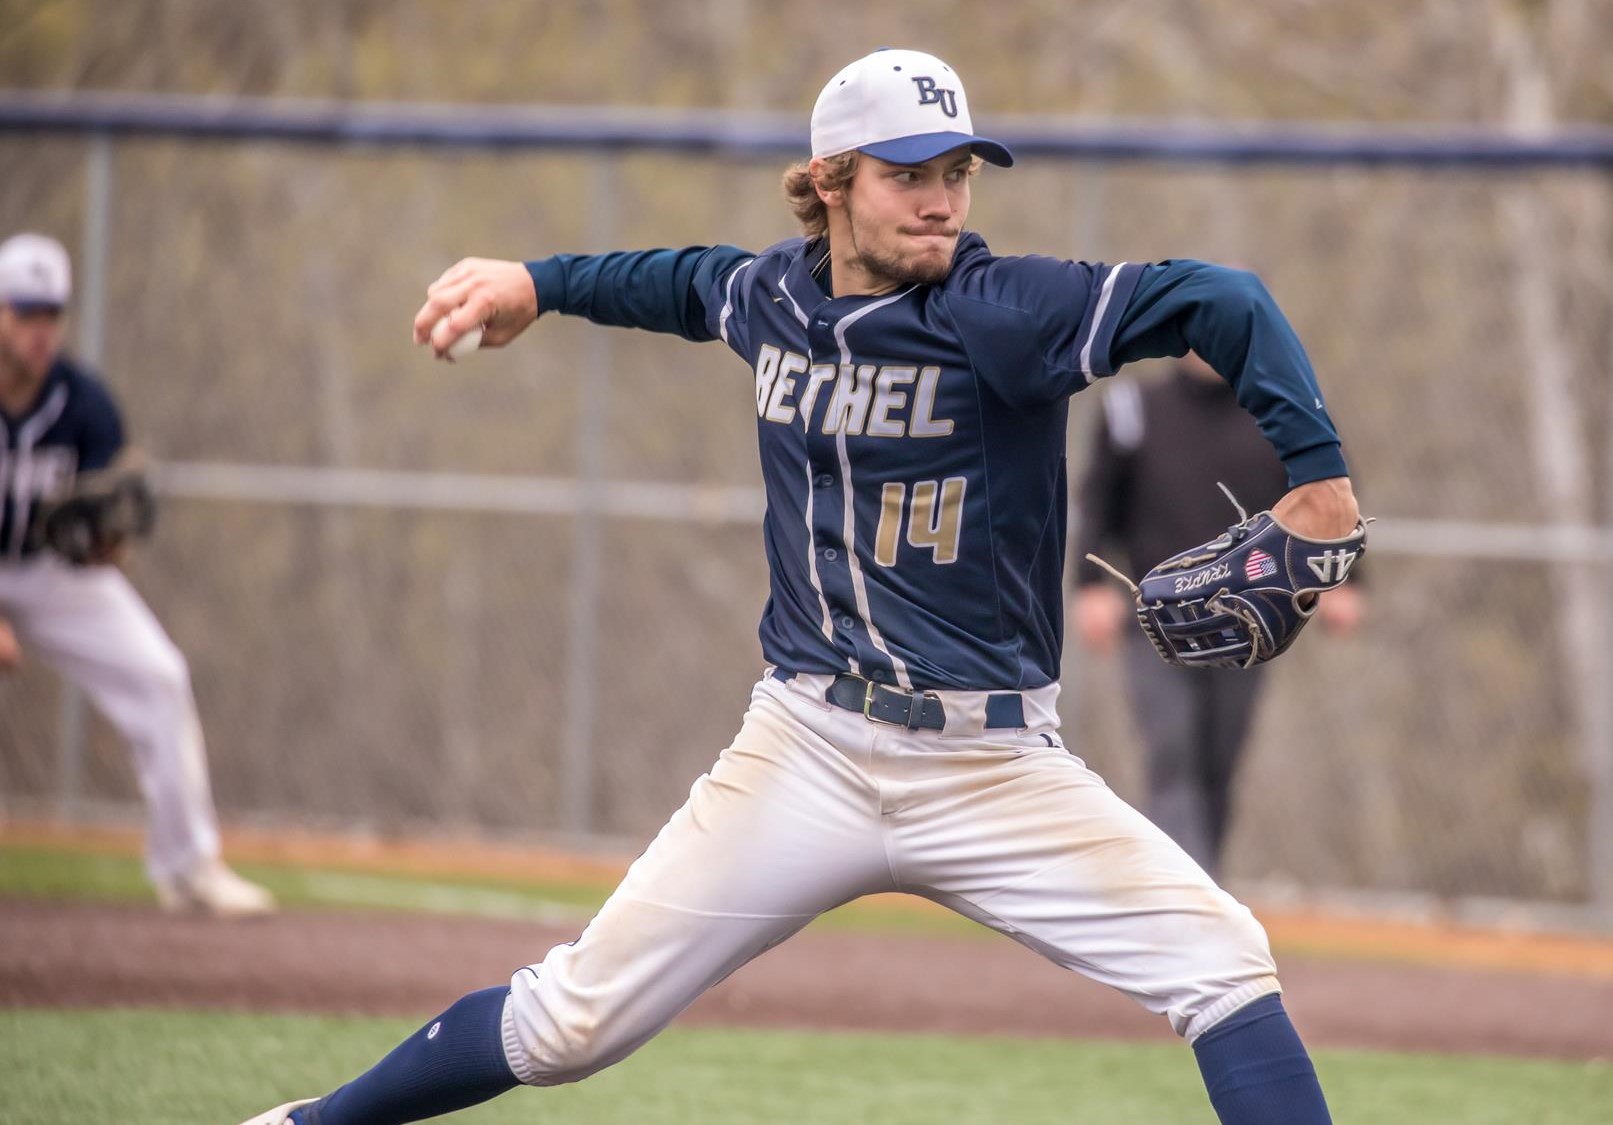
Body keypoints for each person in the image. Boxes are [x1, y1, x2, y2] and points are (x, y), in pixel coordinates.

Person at [240, 48, 1359, 1125]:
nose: (941, 201)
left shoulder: (1007, 312)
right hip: (806, 748)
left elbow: (1223, 300)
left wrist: (1320, 488)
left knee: (1222, 961)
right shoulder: (769, 296)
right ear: (830, 182)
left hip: (991, 765)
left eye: (957, 171)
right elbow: (679, 283)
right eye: (907, 175)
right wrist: (538, 282)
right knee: (567, 1024)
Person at [0, 232, 274, 918]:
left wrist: (104, 544)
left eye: (51, 314)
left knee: (160, 676)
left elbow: (108, 523)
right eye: (25, 313)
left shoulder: (83, 401)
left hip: (45, 572)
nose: (41, 330)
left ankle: (190, 867)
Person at [1073, 357, 1366, 875]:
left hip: (1250, 626)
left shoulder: (1284, 410)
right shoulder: (1132, 407)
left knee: (1217, 769)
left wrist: (1345, 579)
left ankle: (1201, 883)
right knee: (1172, 756)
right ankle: (1183, 894)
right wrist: (1090, 586)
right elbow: (1096, 501)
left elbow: (1330, 498)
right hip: (1157, 627)